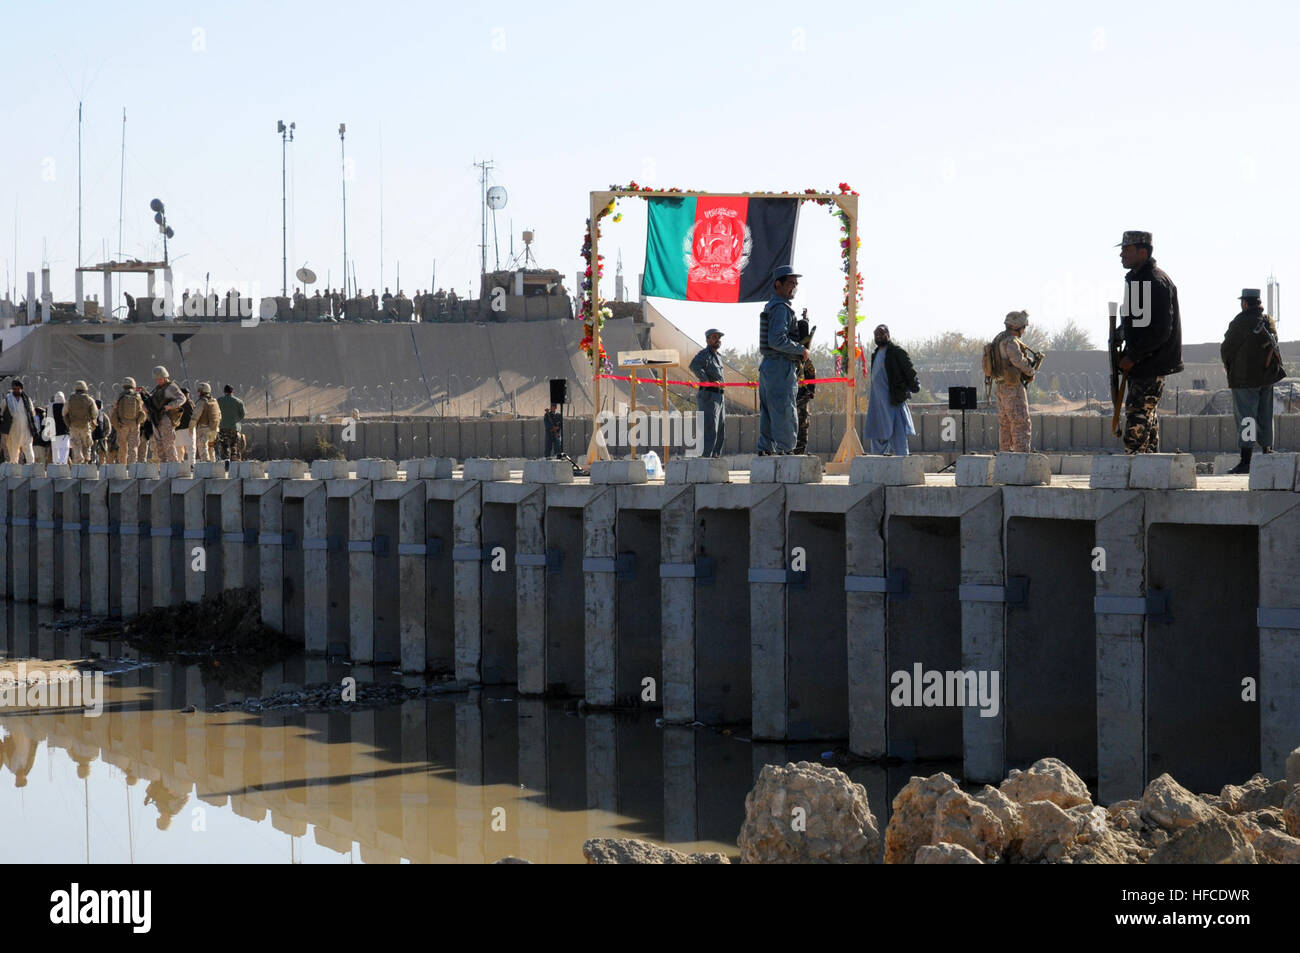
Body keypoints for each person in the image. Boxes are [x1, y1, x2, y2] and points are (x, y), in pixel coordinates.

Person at [1115, 230, 1183, 453]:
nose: (1122, 255)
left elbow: (1161, 330)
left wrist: (1133, 355)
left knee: (1137, 416)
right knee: (1147, 417)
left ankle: (1131, 467)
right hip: (1139, 364)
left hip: (1151, 363)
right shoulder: (1135, 280)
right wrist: (1120, 336)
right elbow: (1134, 321)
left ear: (1142, 252)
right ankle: (1149, 469)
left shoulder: (1156, 282)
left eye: (1127, 250)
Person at [1221, 287, 1285, 473]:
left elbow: (1226, 348)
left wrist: (1229, 367)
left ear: (1244, 303)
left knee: (1247, 418)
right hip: (1266, 377)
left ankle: (1246, 460)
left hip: (1244, 380)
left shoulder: (1240, 322)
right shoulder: (1268, 321)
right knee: (1265, 416)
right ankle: (1267, 453)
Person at [756, 265, 808, 454]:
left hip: (769, 367)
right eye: (790, 283)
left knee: (769, 413)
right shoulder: (781, 308)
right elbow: (777, 339)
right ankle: (786, 452)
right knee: (785, 411)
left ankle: (766, 451)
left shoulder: (772, 306)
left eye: (796, 284)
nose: (794, 287)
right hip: (780, 366)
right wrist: (800, 349)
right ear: (778, 284)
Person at [985, 310, 1038, 452]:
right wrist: (1030, 370)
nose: (1024, 331)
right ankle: (1021, 458)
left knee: (1005, 424)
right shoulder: (1011, 342)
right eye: (1023, 328)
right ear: (1017, 327)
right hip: (1012, 388)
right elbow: (1018, 361)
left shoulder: (998, 339)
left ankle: (1005, 457)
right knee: (1021, 423)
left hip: (1001, 387)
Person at [863, 324, 919, 455]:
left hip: (893, 402)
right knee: (877, 435)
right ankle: (878, 467)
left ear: (888, 335)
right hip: (877, 405)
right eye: (876, 335)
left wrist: (913, 387)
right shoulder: (875, 354)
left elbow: (909, 371)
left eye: (882, 334)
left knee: (898, 436)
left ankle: (903, 465)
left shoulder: (897, 352)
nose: (879, 336)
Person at [689, 328, 727, 457]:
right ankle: (706, 456)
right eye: (714, 337)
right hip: (709, 395)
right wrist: (707, 381)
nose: (718, 340)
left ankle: (715, 454)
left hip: (719, 395)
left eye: (718, 337)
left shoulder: (718, 356)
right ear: (707, 340)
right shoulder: (704, 354)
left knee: (720, 428)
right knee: (710, 427)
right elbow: (694, 365)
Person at [147, 366, 187, 463]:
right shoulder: (156, 389)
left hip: (166, 418)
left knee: (168, 444)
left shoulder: (171, 387)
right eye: (157, 379)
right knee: (159, 445)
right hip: (156, 419)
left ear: (165, 377)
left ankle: (174, 466)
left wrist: (170, 406)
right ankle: (164, 467)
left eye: (160, 379)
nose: (158, 381)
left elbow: (182, 398)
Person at [793, 316, 817, 455]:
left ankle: (800, 452)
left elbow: (811, 378)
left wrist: (807, 394)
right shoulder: (790, 359)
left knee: (802, 426)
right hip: (790, 397)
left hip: (802, 398)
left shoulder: (807, 363)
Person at [110, 376, 147, 464]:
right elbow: (142, 411)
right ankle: (132, 467)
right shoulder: (137, 396)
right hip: (134, 425)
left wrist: (116, 423)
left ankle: (122, 467)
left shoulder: (120, 396)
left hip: (122, 425)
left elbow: (113, 410)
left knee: (123, 448)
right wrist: (138, 421)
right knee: (133, 447)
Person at [1, 379, 38, 464]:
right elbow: (1, 413)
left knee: (29, 451)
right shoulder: (7, 400)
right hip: (13, 430)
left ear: (21, 389)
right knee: (13, 453)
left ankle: (31, 469)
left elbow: (32, 413)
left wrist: (34, 426)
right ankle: (14, 471)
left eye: (17, 389)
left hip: (26, 430)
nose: (16, 391)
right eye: (14, 389)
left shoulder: (27, 400)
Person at [62, 380, 98, 464]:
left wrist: (69, 424)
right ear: (85, 388)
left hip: (74, 426)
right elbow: (95, 413)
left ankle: (78, 461)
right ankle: (86, 459)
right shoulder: (89, 399)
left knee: (76, 445)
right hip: (86, 425)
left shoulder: (70, 399)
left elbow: (64, 413)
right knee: (87, 444)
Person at [193, 382, 222, 462]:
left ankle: (206, 464)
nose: (198, 392)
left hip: (203, 428)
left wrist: (191, 426)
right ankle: (212, 464)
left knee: (202, 447)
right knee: (211, 447)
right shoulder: (214, 402)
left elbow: (195, 416)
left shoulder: (201, 402)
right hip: (214, 429)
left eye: (199, 391)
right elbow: (219, 415)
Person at [216, 384, 246, 461]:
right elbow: (242, 415)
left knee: (224, 447)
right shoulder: (239, 401)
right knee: (234, 447)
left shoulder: (218, 401)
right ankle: (235, 463)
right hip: (235, 428)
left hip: (222, 428)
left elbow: (215, 413)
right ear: (233, 391)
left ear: (224, 392)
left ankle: (225, 464)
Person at [48, 390, 71, 464]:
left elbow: (49, 419)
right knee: (64, 449)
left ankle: (56, 463)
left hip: (54, 432)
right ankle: (63, 463)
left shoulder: (51, 406)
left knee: (55, 449)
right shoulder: (66, 406)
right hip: (64, 432)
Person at [176, 387, 197, 461]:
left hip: (178, 428)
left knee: (178, 448)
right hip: (188, 428)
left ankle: (179, 464)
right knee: (191, 448)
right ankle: (191, 464)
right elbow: (194, 415)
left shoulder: (176, 403)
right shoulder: (190, 402)